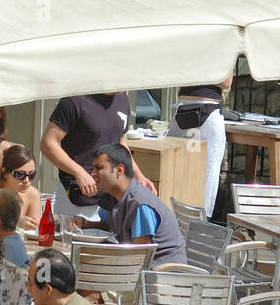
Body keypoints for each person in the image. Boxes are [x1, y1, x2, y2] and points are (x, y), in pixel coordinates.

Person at [71, 143, 185, 266]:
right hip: (139, 270)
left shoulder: (140, 204)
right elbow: (107, 226)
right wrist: (85, 224)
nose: (93, 174)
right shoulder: (112, 195)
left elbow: (138, 253)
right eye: (93, 168)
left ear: (119, 170)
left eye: (99, 168)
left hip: (163, 275)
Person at [41, 93, 155, 208]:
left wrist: (138, 176)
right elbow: (48, 143)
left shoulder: (122, 98)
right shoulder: (73, 101)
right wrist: (79, 172)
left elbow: (120, 142)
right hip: (82, 195)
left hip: (112, 195)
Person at [167, 73, 234, 217]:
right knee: (187, 171)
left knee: (203, 172)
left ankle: (198, 222)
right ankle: (183, 222)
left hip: (198, 112)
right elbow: (226, 81)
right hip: (191, 113)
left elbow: (226, 82)